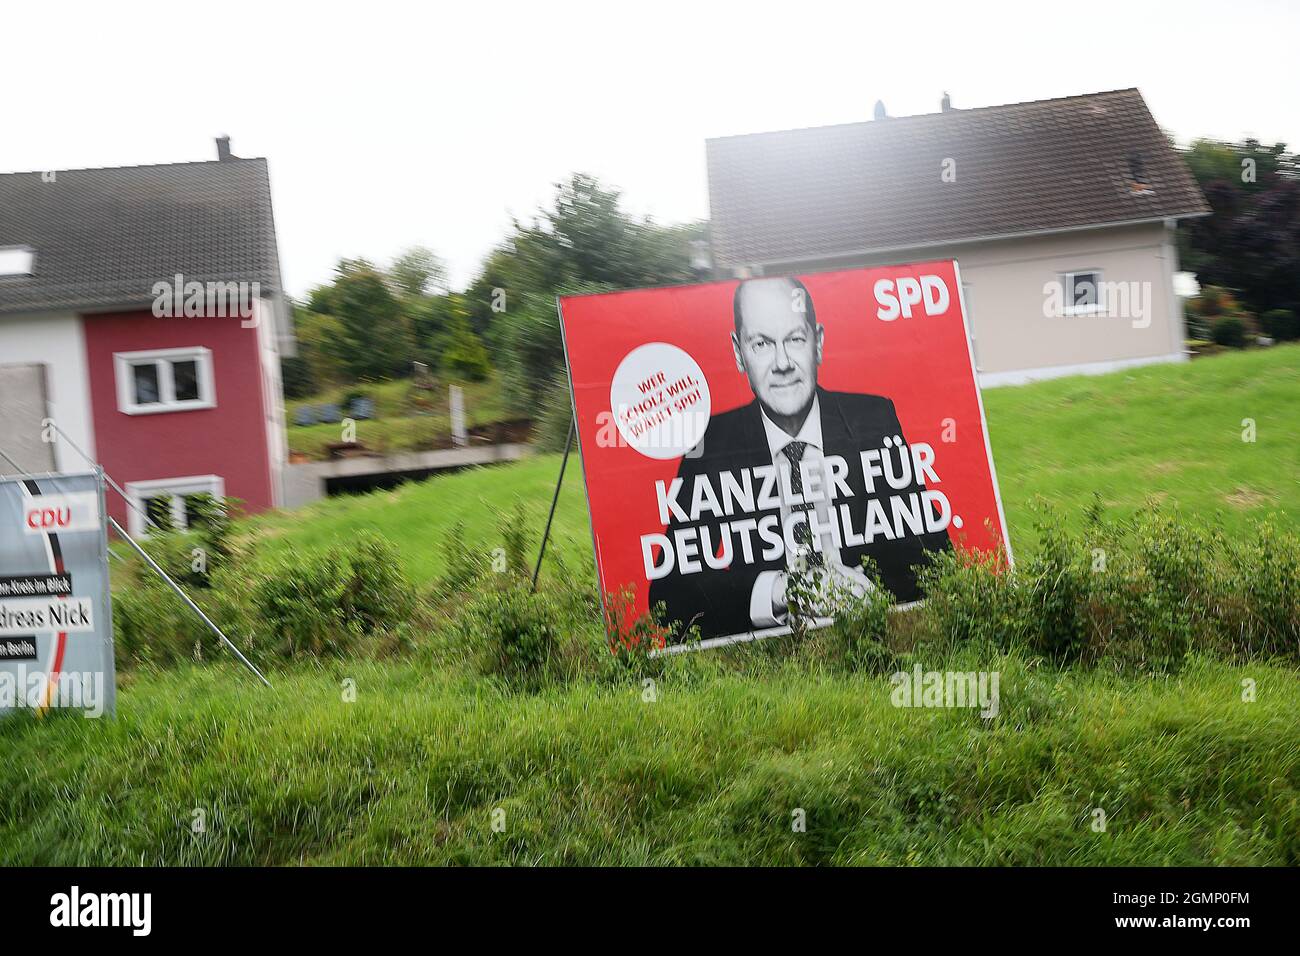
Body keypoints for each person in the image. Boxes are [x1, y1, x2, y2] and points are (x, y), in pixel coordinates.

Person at [648, 275, 950, 640]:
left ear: (818, 343)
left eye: (795, 339)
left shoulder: (873, 419)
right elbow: (668, 599)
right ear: (738, 352)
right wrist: (781, 592)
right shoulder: (712, 443)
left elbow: (935, 556)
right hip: (772, 668)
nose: (782, 362)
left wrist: (864, 589)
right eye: (761, 343)